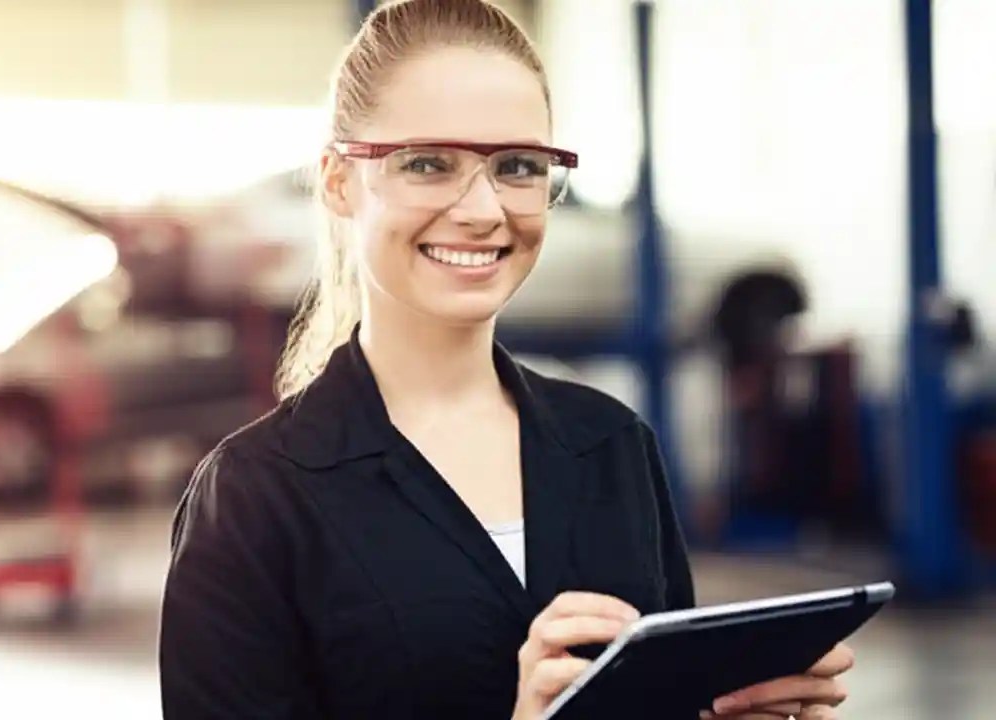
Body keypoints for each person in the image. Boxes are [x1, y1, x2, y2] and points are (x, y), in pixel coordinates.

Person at [158, 1, 854, 718]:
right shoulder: (254, 498)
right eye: (429, 164)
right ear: (339, 181)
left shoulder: (612, 446)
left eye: (518, 166)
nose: (484, 209)